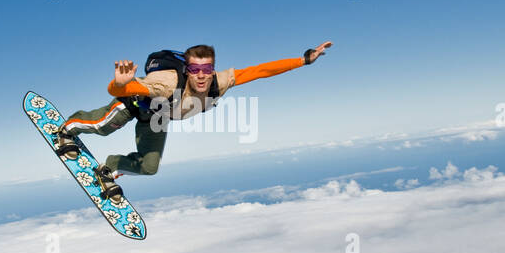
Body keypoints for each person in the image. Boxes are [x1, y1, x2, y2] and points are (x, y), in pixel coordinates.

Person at [54, 41, 332, 200]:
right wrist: (119, 85)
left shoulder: (219, 82)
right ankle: (66, 129)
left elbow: (259, 71)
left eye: (207, 68)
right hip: (135, 105)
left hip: (157, 119)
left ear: (213, 68)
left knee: (149, 167)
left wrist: (303, 60)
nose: (201, 75)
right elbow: (124, 90)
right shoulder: (167, 82)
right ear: (188, 69)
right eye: (196, 69)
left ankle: (111, 167)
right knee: (101, 127)